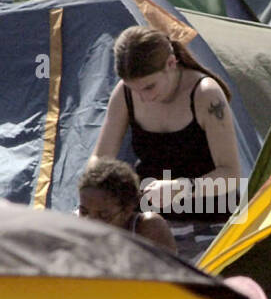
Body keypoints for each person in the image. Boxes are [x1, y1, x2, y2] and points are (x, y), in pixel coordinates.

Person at [89, 26, 243, 222]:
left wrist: (181, 188)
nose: (144, 98)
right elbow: (100, 157)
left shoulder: (206, 94)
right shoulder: (124, 93)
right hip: (150, 215)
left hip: (210, 216)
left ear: (171, 63)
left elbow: (231, 174)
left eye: (149, 87)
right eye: (133, 89)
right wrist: (95, 189)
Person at [77, 158, 178, 254]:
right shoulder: (73, 228)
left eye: (103, 215)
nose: (91, 222)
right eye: (83, 212)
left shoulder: (149, 228)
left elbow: (173, 270)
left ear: (127, 210)